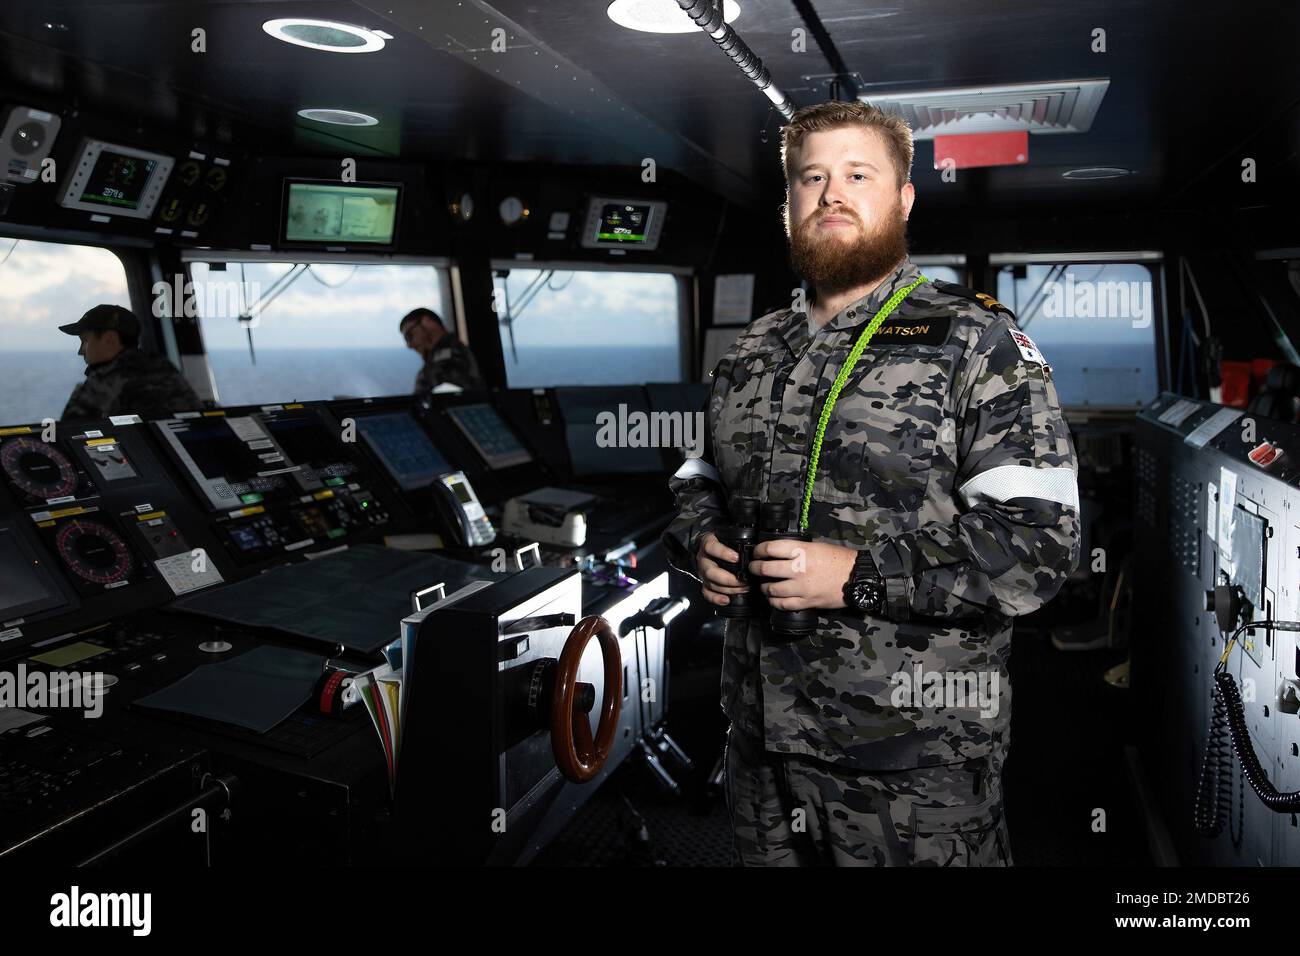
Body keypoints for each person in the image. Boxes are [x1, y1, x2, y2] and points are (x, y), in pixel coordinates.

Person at [663, 101, 1081, 866]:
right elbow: (697, 476)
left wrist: (856, 577)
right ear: (788, 202)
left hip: (913, 764)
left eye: (858, 174)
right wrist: (700, 540)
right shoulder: (752, 349)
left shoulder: (974, 340)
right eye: (811, 177)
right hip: (761, 749)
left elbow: (1039, 547)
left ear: (903, 198)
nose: (832, 194)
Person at [60, 304, 200, 422]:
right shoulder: (164, 368)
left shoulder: (108, 379)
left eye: (84, 341)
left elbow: (71, 430)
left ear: (109, 340)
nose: (80, 351)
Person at [400, 307, 484, 393]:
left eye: (409, 336)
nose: (409, 345)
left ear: (427, 322)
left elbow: (449, 394)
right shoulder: (449, 353)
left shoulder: (449, 355)